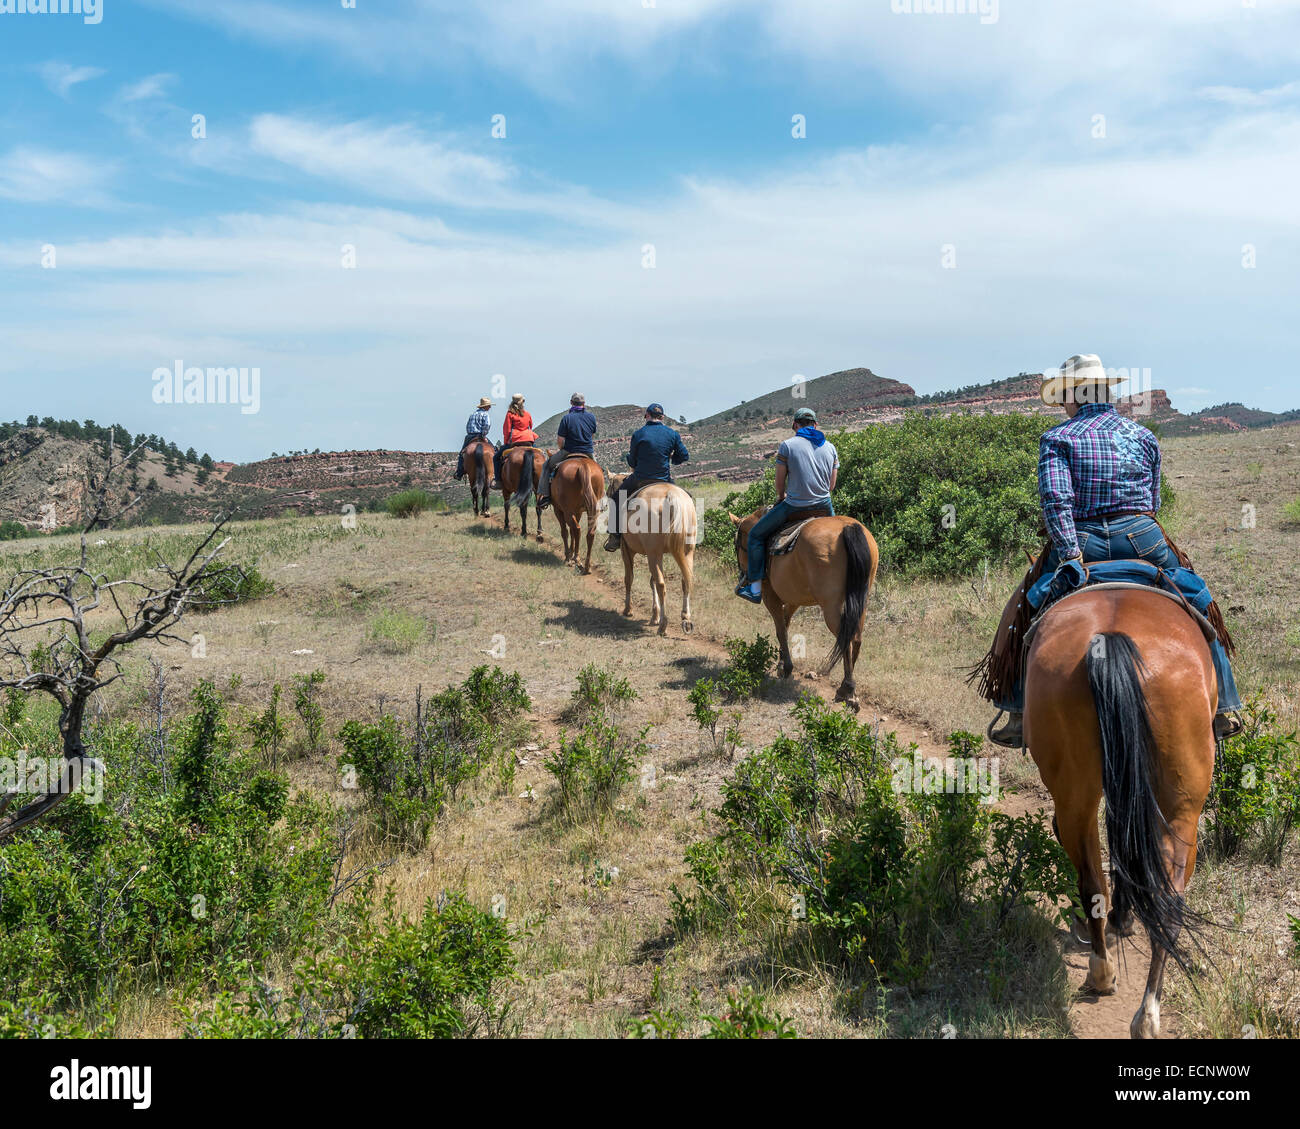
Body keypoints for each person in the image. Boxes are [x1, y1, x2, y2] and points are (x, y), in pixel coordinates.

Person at [984, 354, 1243, 748]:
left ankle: (1017, 709)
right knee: (1196, 598)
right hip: (1143, 536)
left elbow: (1057, 502)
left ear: (1074, 394)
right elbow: (1151, 503)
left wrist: (1070, 555)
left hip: (1082, 538)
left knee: (1026, 606)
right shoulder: (1142, 436)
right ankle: (1223, 706)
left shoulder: (1058, 438)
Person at [734, 406, 838, 603]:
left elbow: (780, 482)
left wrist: (781, 496)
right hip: (824, 505)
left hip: (795, 506)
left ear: (795, 426)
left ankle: (755, 589)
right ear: (816, 425)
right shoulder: (830, 447)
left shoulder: (787, 446)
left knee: (755, 535)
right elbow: (831, 486)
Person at [604, 403, 689, 551]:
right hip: (664, 479)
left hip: (641, 478)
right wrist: (671, 459)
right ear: (662, 417)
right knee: (688, 498)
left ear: (647, 416)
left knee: (616, 499)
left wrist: (633, 459)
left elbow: (632, 461)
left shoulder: (638, 434)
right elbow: (684, 456)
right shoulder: (672, 434)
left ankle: (615, 536)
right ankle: (689, 536)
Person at [538, 393, 597, 508]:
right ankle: (601, 495)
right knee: (599, 469)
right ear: (584, 403)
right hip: (588, 451)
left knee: (546, 466)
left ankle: (545, 496)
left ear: (571, 403)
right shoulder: (591, 417)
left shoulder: (566, 418)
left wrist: (561, 450)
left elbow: (560, 441)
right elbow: (592, 436)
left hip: (569, 451)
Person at [493, 393, 537, 488]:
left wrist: (506, 443)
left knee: (496, 458)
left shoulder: (510, 414)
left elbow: (507, 430)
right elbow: (531, 426)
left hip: (515, 441)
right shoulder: (528, 414)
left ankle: (498, 481)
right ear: (522, 402)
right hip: (529, 440)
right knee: (540, 456)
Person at [454, 397, 492, 480]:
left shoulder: (472, 414)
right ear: (485, 406)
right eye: (488, 405)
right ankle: (494, 471)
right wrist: (483, 435)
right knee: (494, 450)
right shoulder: (485, 414)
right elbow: (487, 425)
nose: (490, 407)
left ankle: (459, 473)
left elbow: (468, 426)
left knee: (461, 454)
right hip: (480, 435)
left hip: (470, 436)